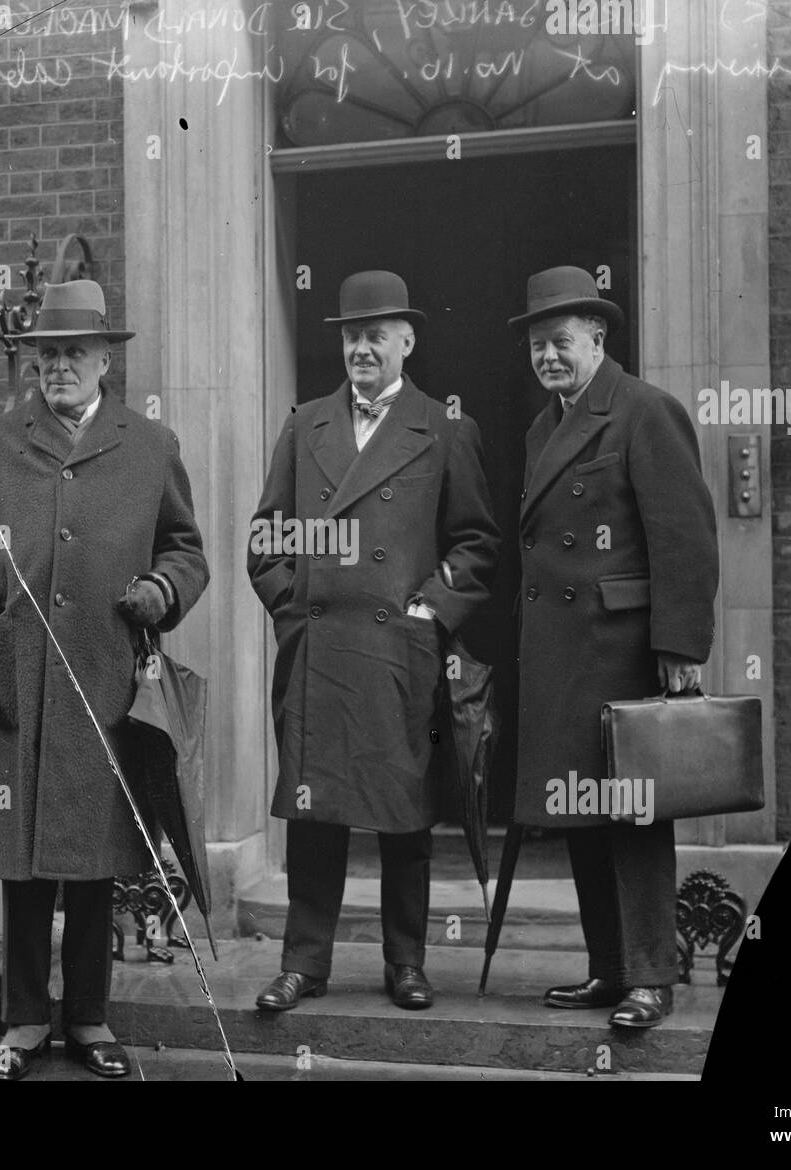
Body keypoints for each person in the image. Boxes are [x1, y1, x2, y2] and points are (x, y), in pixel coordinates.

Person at [0, 280, 209, 1078]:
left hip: (104, 681)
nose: (59, 369)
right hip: (19, 680)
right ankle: (22, 1022)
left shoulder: (151, 447)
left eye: (74, 353)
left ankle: (87, 1019)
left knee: (94, 859)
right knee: (23, 860)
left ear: (106, 359)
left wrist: (161, 591)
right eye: (45, 355)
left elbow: (187, 552)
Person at [247, 270, 499, 1012]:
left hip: (399, 651)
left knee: (404, 813)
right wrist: (294, 609)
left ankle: (406, 964)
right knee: (313, 807)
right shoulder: (306, 425)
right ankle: (304, 962)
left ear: (407, 341)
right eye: (352, 335)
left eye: (376, 335)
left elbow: (477, 543)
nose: (362, 347)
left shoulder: (445, 428)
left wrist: (430, 609)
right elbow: (268, 540)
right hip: (320, 649)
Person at [508, 266, 719, 1028]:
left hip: (625, 652)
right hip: (566, 655)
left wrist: (681, 646)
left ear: (597, 338)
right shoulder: (544, 427)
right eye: (537, 346)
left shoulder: (644, 412)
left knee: (634, 818)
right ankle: (608, 970)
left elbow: (685, 538)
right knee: (582, 812)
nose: (548, 358)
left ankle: (651, 978)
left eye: (560, 342)